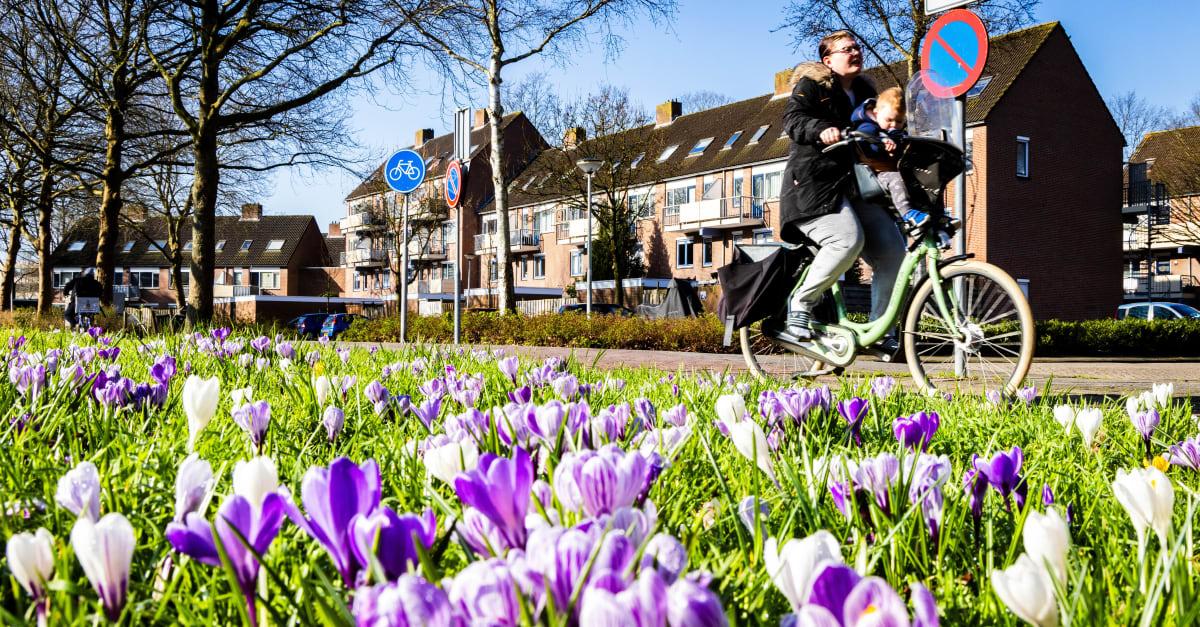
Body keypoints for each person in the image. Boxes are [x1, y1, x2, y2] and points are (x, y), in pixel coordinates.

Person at [778, 30, 906, 354]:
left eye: (857, 47)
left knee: (893, 251)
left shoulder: (866, 97)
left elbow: (877, 128)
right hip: (812, 187)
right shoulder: (813, 85)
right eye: (846, 49)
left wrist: (889, 137)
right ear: (828, 60)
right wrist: (822, 130)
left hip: (854, 188)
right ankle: (800, 305)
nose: (855, 52)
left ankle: (878, 331)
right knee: (847, 239)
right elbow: (792, 120)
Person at [850, 87, 929, 232]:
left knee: (924, 179)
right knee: (896, 179)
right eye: (889, 120)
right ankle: (907, 213)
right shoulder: (867, 126)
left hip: (892, 169)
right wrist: (880, 144)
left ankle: (935, 214)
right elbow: (865, 147)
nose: (893, 125)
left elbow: (902, 145)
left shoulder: (896, 132)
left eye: (898, 121)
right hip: (875, 174)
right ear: (876, 114)